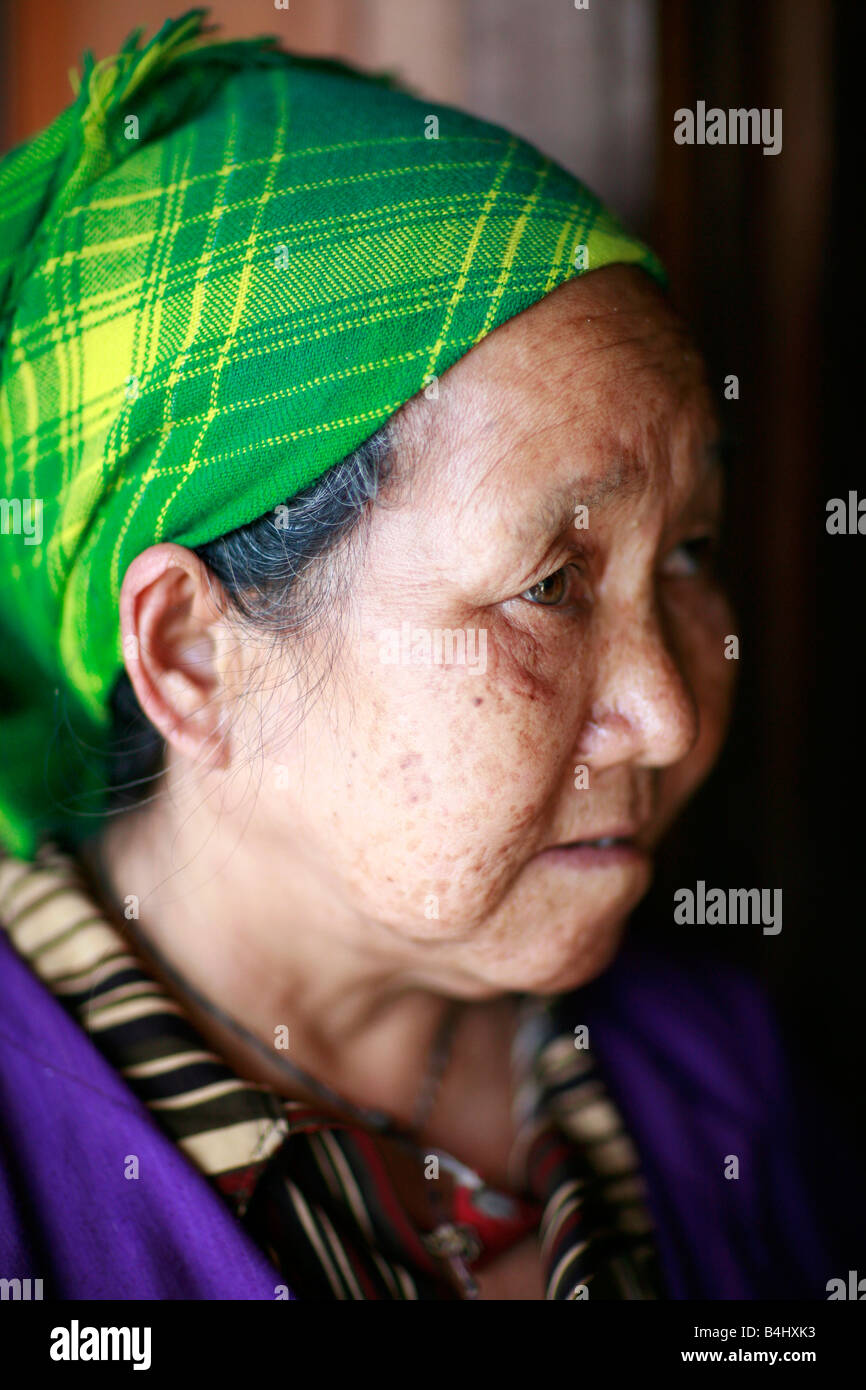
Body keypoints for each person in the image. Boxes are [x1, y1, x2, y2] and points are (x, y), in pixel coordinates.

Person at [0, 10, 855, 1301]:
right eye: (548, 585)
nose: (667, 713)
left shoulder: (719, 1071)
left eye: (686, 553)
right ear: (188, 655)